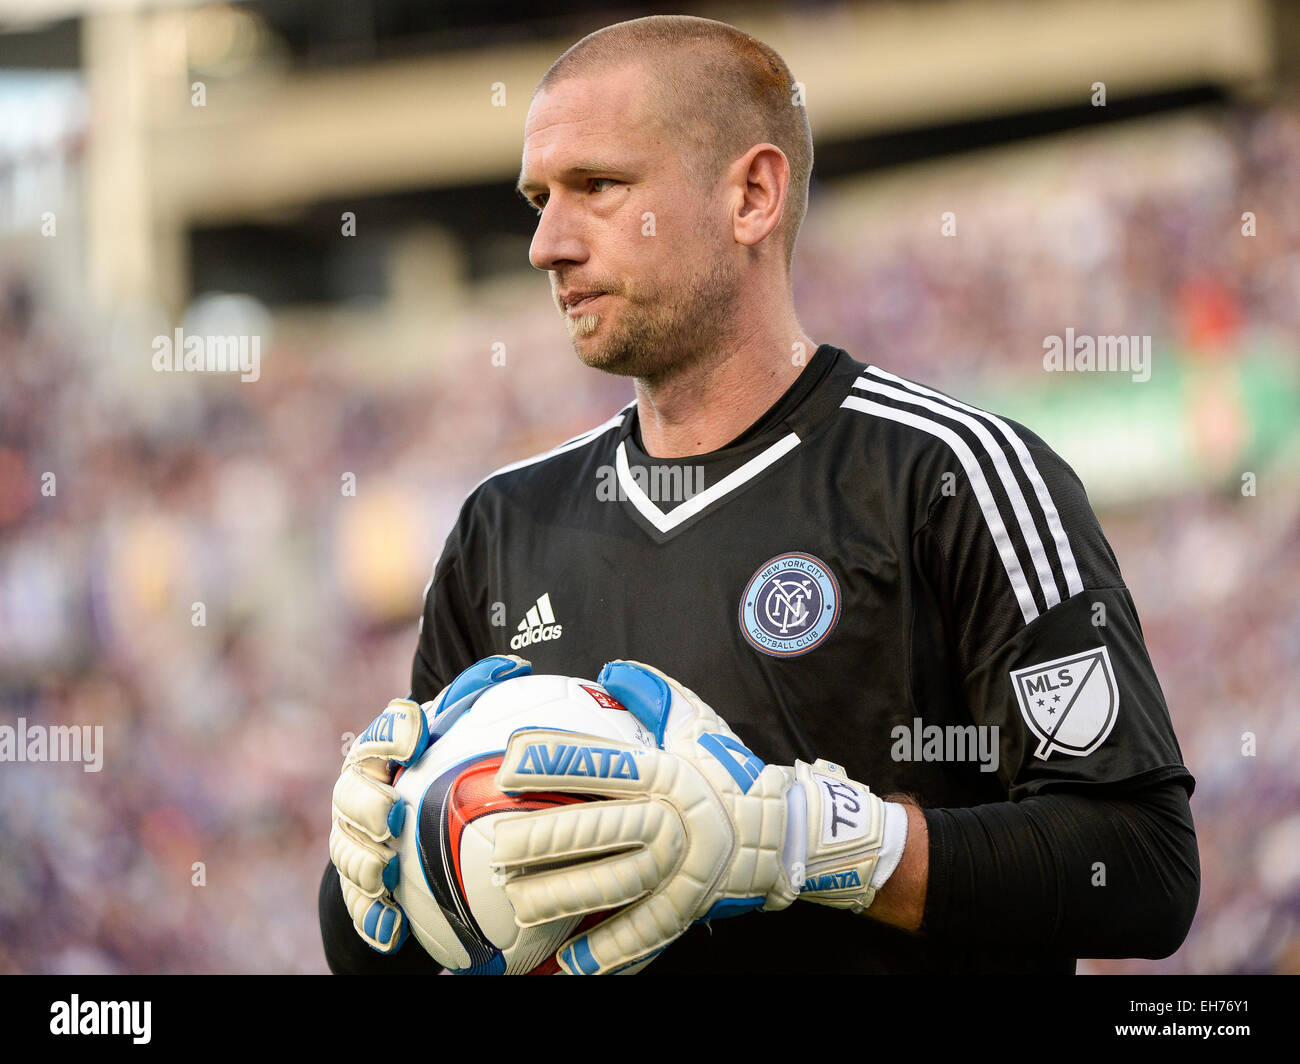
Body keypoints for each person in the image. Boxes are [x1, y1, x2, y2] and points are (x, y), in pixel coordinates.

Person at [321, 14, 1198, 975]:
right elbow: (412, 947)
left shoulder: (954, 475)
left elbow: (1143, 868)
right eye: (538, 198)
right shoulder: (506, 522)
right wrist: (368, 874)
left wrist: (811, 846)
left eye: (598, 187)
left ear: (751, 194)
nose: (545, 245)